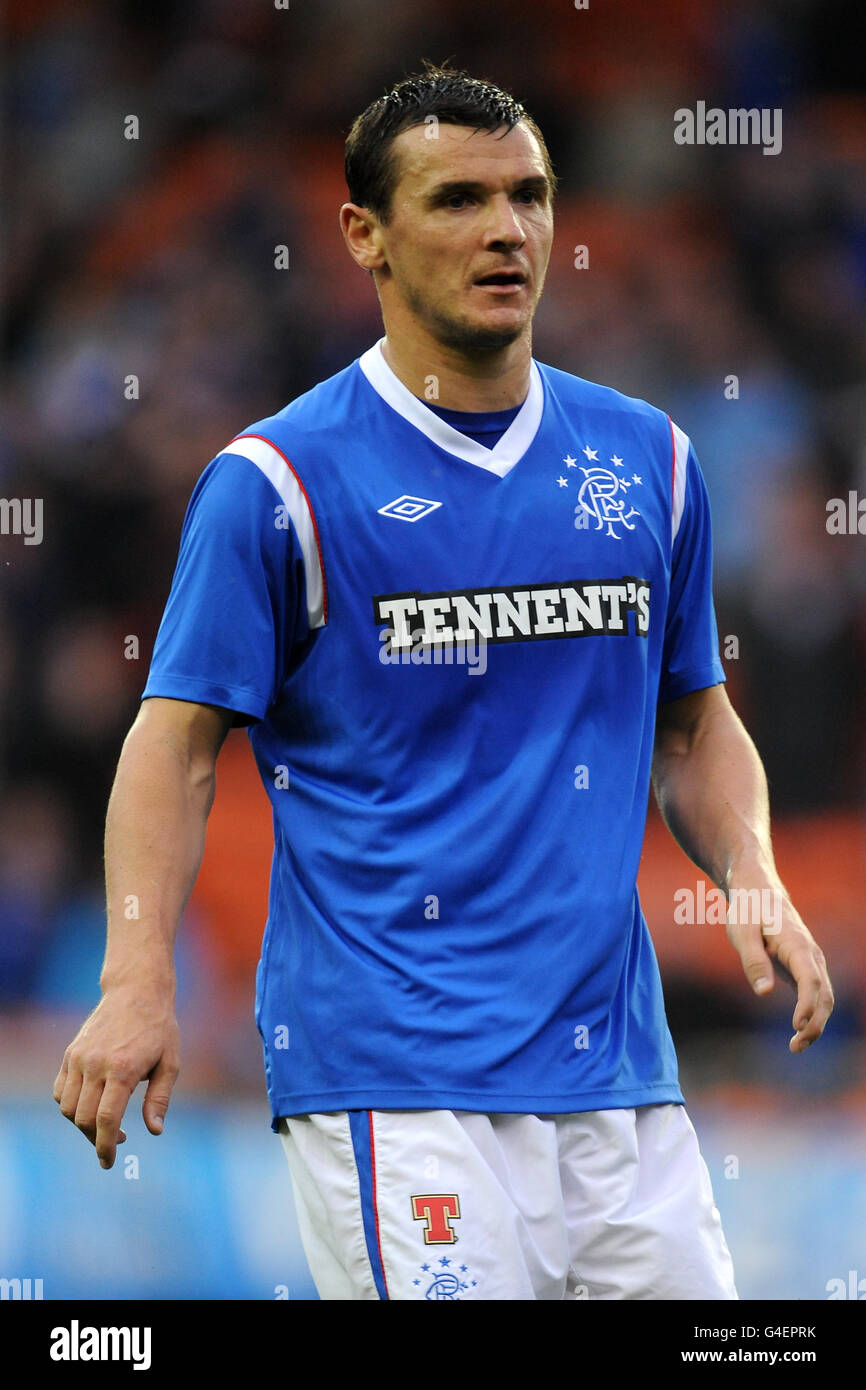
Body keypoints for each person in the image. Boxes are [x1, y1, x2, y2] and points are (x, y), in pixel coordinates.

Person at [53, 62, 834, 1301]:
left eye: (527, 196)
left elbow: (691, 726)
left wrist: (750, 872)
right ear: (363, 232)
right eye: (459, 199)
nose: (505, 229)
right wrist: (135, 978)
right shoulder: (279, 485)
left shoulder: (648, 462)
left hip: (619, 1076)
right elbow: (176, 744)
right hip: (398, 1082)